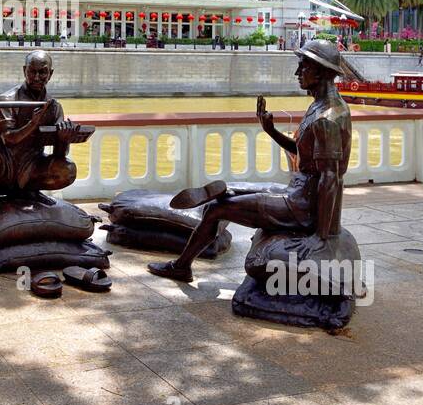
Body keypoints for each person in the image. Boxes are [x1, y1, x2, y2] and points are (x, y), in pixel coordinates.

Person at [147, 39, 351, 284]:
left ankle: (182, 267)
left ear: (320, 71)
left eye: (303, 66)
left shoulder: (327, 117)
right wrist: (271, 130)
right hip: (298, 192)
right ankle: (223, 194)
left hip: (302, 207)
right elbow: (302, 153)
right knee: (230, 190)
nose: (297, 73)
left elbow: (331, 178)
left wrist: (321, 236)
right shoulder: (320, 107)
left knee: (217, 209)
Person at [0, 51, 82, 209]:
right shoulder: (6, 100)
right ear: (25, 71)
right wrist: (33, 124)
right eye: (32, 71)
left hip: (31, 165)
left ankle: (30, 190)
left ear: (50, 74)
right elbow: (8, 139)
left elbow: (59, 155)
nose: (37, 77)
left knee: (68, 170)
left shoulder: (54, 107)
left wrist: (64, 139)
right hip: (3, 163)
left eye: (42, 72)